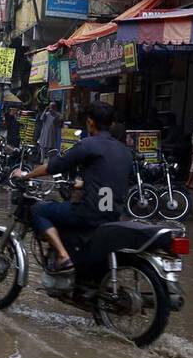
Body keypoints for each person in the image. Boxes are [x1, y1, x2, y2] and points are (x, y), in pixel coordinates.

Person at [11, 101, 132, 274]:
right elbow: (111, 178)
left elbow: (54, 166)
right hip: (113, 213)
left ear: (90, 122)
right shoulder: (124, 150)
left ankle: (62, 256)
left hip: (89, 212)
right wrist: (83, 184)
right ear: (111, 124)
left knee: (39, 210)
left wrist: (25, 175)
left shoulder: (88, 144)